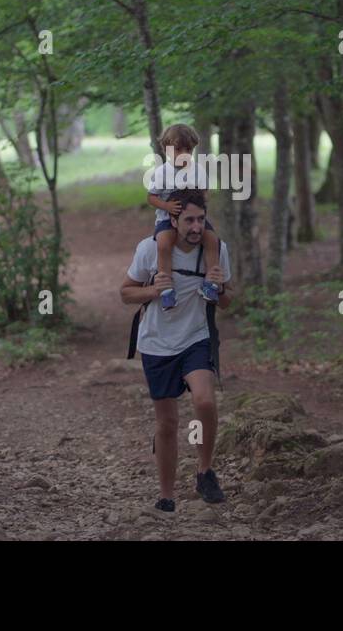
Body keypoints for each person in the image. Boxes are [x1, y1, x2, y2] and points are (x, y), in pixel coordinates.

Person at [120, 189, 233, 513]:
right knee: (167, 423)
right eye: (189, 220)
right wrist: (154, 289)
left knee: (205, 399)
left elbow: (226, 302)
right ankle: (167, 495)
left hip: (195, 338)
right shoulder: (149, 250)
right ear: (172, 220)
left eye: (201, 219)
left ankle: (204, 470)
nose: (196, 227)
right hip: (156, 342)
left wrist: (220, 288)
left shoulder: (216, 250)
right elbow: (125, 293)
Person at [146, 123, 221, 310]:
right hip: (167, 219)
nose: (183, 154)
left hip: (193, 219)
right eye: (177, 150)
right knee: (164, 243)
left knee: (212, 239)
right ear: (166, 150)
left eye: (188, 149)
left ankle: (211, 283)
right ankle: (166, 289)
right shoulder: (162, 172)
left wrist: (200, 204)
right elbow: (151, 197)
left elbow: (205, 192)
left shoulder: (198, 171)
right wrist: (166, 206)